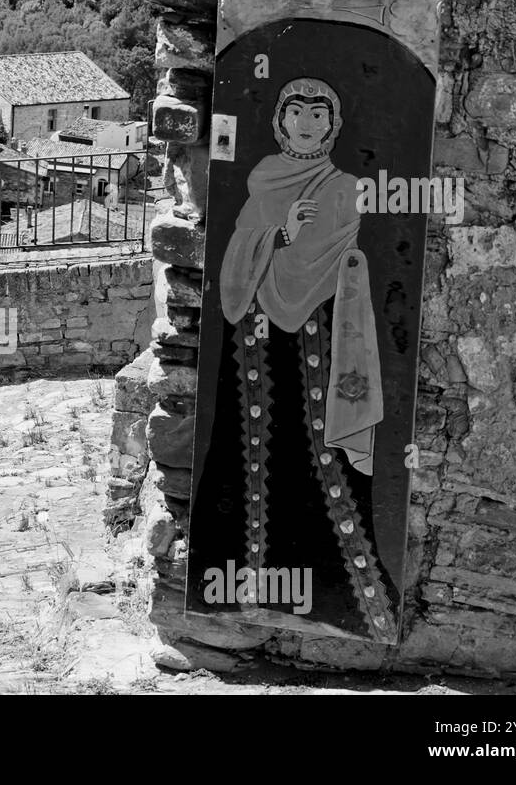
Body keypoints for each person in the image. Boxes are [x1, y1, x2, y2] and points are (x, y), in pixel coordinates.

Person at [193, 77, 395, 642]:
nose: (306, 123)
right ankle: (240, 587)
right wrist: (277, 233)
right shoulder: (263, 181)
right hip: (252, 348)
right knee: (248, 452)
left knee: (316, 459)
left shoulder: (344, 187)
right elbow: (239, 261)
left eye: (318, 114)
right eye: (296, 113)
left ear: (333, 125)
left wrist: (279, 250)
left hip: (316, 341)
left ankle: (343, 600)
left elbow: (319, 262)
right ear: (280, 121)